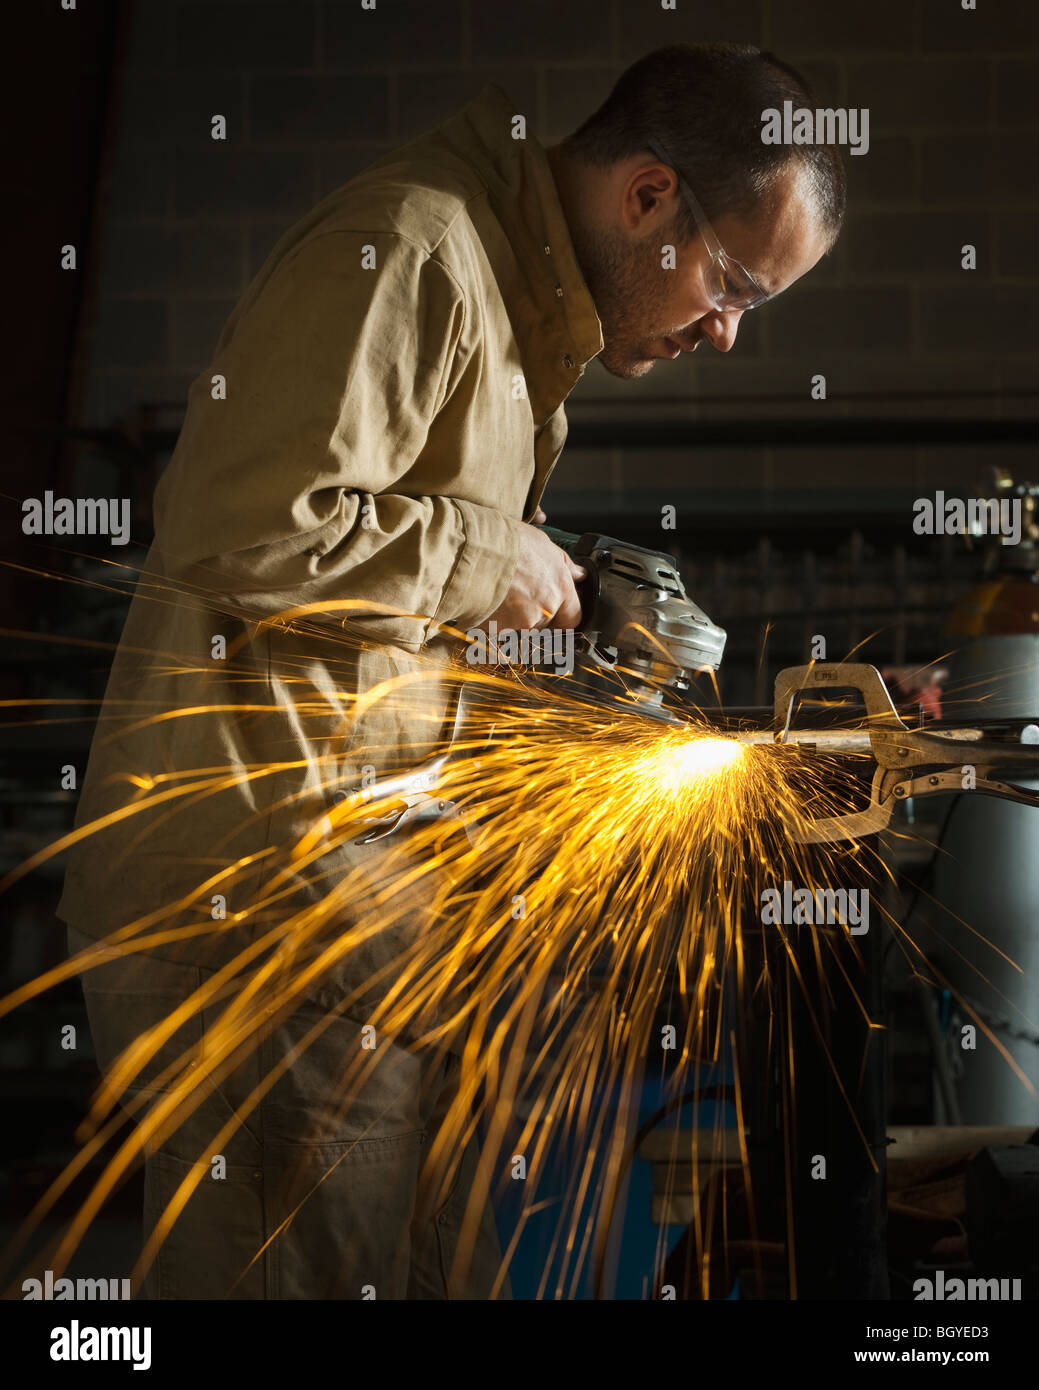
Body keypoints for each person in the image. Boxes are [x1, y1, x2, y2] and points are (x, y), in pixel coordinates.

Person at [58, 43, 844, 1299]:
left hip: (360, 909)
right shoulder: (415, 252)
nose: (728, 331)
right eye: (732, 283)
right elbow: (236, 528)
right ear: (649, 196)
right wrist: (492, 557)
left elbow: (374, 587)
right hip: (263, 911)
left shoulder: (508, 293)